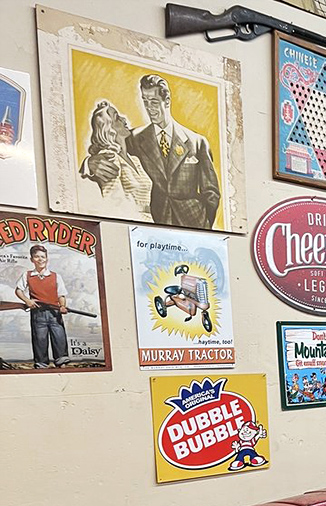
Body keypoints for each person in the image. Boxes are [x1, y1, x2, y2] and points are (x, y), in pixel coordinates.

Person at [82, 75, 220, 229]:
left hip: (193, 222)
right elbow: (107, 146)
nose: (150, 109)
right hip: (154, 227)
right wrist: (89, 163)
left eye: (154, 102)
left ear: (166, 101)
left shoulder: (197, 141)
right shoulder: (133, 138)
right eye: (145, 102)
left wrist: (204, 222)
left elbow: (211, 192)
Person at [82, 100, 152, 217]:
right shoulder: (109, 157)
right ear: (109, 128)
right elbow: (113, 201)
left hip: (149, 221)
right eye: (117, 118)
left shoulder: (134, 159)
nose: (124, 119)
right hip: (134, 221)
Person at [15, 245, 70, 368]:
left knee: (59, 336)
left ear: (47, 259)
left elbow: (61, 294)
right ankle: (41, 364)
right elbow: (18, 290)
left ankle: (61, 362)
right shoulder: (27, 275)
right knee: (39, 339)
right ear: (32, 259)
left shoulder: (56, 276)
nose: (40, 259)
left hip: (55, 313)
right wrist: (27, 301)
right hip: (37, 314)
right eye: (37, 257)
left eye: (43, 257)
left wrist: (62, 306)